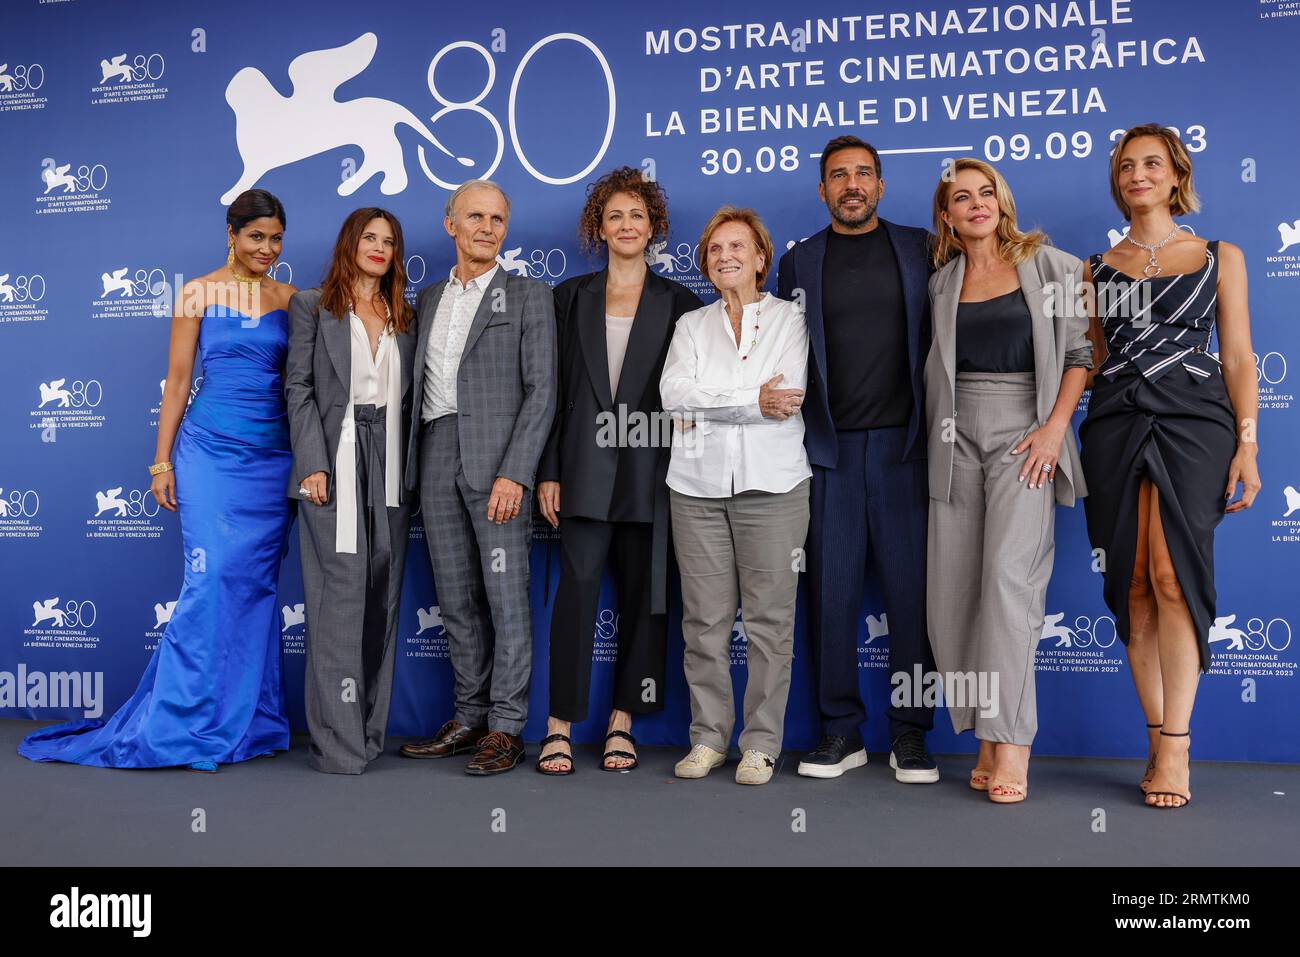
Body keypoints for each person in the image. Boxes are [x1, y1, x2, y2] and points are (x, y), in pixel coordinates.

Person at [20, 190, 298, 772]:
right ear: (231, 232)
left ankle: (249, 718)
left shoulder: (293, 299)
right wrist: (161, 461)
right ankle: (181, 717)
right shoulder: (196, 292)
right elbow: (176, 382)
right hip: (209, 454)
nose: (266, 249)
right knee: (210, 578)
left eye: (275, 239)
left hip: (273, 461)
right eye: (256, 237)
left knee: (256, 588)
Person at [1079, 124, 1260, 809]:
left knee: (1173, 577)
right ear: (1117, 181)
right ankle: (1155, 738)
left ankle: (1178, 747)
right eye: (1127, 165)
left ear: (1175, 174)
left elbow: (1240, 357)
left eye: (1152, 163)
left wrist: (1248, 443)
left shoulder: (1220, 256)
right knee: (1131, 584)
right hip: (1117, 424)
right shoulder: (1093, 268)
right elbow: (1093, 363)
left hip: (1196, 422)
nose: (1138, 174)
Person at [925, 159, 1091, 804]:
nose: (975, 204)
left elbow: (1080, 356)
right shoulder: (941, 282)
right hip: (953, 437)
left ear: (1002, 201)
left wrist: (1054, 429)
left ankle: (1014, 742)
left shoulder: (1052, 266)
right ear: (946, 215)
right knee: (955, 590)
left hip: (1026, 432)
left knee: (1007, 583)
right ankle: (985, 737)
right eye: (960, 198)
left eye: (985, 193)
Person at [776, 135, 938, 783]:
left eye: (863, 174)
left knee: (912, 598)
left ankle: (912, 734)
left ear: (881, 184)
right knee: (830, 597)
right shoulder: (799, 263)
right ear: (822, 190)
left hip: (907, 448)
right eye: (838, 176)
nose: (851, 184)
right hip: (829, 453)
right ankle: (840, 732)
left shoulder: (922, 248)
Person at [534, 167, 703, 774]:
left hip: (651, 472)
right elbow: (550, 393)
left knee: (645, 598)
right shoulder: (567, 297)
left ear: (653, 225)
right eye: (615, 216)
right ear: (598, 228)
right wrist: (548, 470)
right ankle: (558, 724)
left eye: (637, 215)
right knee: (574, 597)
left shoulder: (681, 302)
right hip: (579, 467)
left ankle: (623, 721)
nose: (627, 225)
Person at [397, 180, 557, 775]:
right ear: (450, 225)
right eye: (475, 217)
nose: (487, 228)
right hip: (436, 455)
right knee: (456, 598)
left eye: (497, 218)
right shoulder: (429, 296)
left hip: (498, 466)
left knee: (505, 598)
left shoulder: (528, 296)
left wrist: (517, 472)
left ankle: (507, 727)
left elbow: (543, 392)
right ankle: (468, 718)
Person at [662, 206, 811, 786]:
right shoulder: (690, 326)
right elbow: (674, 396)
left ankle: (761, 744)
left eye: (738, 247)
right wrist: (750, 401)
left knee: (771, 622)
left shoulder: (789, 320)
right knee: (703, 622)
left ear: (761, 258)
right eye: (715, 249)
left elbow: (788, 397)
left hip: (774, 487)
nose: (726, 257)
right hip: (695, 490)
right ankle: (707, 739)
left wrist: (715, 400)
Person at [286, 208, 416, 774]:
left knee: (381, 597)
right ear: (350, 242)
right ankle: (335, 744)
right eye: (370, 237)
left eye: (389, 241)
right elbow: (299, 389)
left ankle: (366, 734)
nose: (379, 248)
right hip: (334, 458)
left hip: (389, 460)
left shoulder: (404, 314)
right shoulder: (313, 306)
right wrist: (312, 464)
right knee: (339, 595)